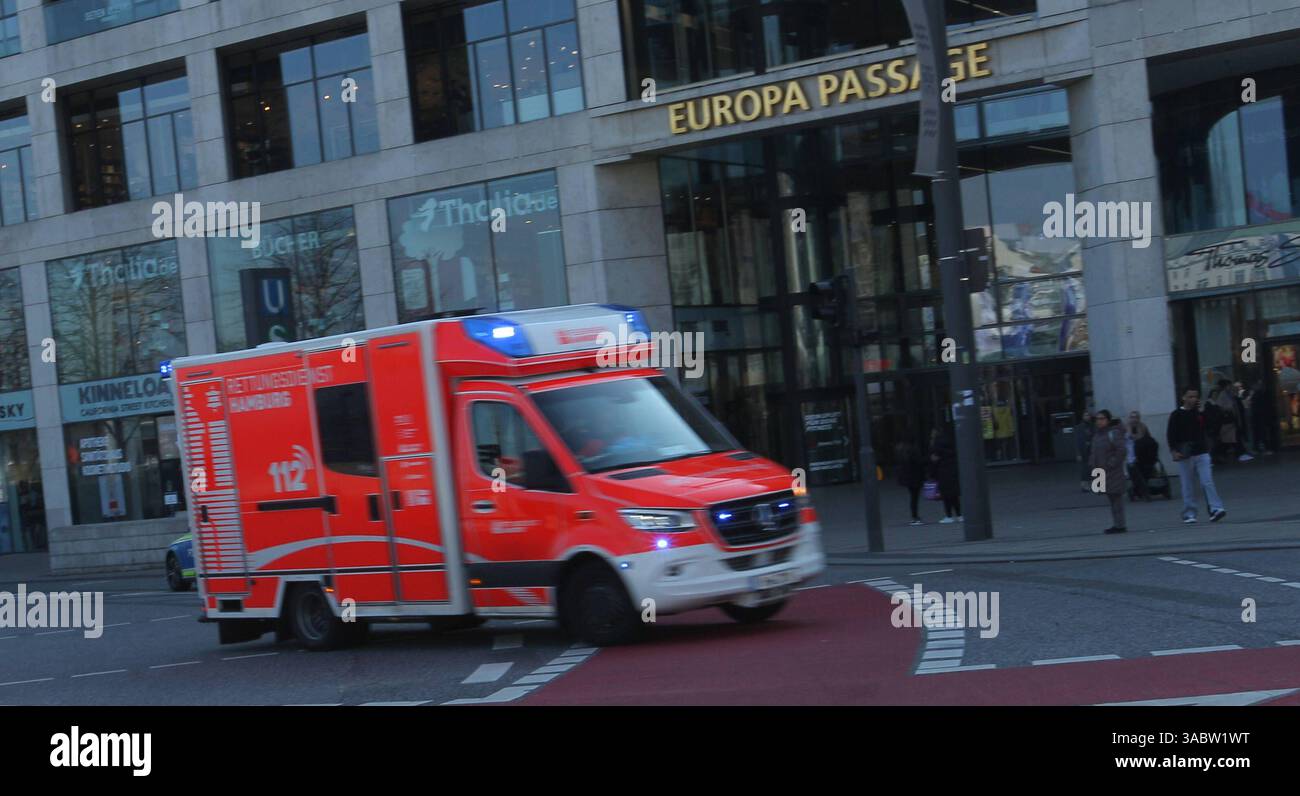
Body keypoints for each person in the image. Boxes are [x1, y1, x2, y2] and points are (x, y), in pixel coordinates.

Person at [1166, 387, 1227, 524]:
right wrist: (1174, 451)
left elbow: (1210, 426)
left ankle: (1215, 508)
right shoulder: (1176, 414)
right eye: (1190, 396)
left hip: (1201, 451)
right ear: (1184, 398)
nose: (1193, 399)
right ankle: (1189, 512)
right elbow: (1171, 434)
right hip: (1185, 454)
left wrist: (1201, 413)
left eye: (1195, 396)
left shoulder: (1199, 413)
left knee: (1207, 481)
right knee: (1187, 484)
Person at [1088, 410, 1127, 534]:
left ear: (1108, 420)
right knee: (1111, 497)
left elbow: (1121, 450)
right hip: (1101, 471)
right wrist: (1092, 465)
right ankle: (1117, 524)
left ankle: (1120, 525)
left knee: (1116, 498)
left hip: (1112, 471)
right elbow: (1094, 452)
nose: (1099, 421)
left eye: (1102, 418)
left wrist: (1112, 463)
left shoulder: (1113, 433)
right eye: (1097, 419)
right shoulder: (1097, 435)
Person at [929, 426, 961, 524]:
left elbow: (934, 460)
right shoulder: (949, 444)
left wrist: (932, 474)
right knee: (954, 495)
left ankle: (948, 516)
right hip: (952, 471)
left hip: (942, 472)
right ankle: (960, 515)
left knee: (946, 496)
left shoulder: (936, 445)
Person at [894, 440, 928, 526]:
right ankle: (915, 517)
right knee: (914, 498)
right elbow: (919, 462)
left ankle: (914, 517)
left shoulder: (901, 450)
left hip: (908, 477)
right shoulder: (912, 451)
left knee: (913, 497)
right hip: (915, 477)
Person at [1125, 411, 1157, 500]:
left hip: (1143, 454)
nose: (1134, 419)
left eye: (1136, 417)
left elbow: (1150, 440)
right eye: (1132, 417)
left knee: (1146, 469)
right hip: (1132, 455)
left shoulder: (1143, 427)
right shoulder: (1126, 428)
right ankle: (1141, 490)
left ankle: (1140, 490)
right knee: (1136, 471)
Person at [1074, 410, 1094, 493]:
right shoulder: (1079, 427)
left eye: (1088, 415)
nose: (1087, 417)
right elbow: (1077, 440)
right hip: (1083, 450)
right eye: (1086, 415)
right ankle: (1084, 485)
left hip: (1092, 449)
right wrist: (1078, 453)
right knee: (1084, 468)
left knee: (1092, 467)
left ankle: (1092, 484)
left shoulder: (1093, 426)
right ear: (1083, 417)